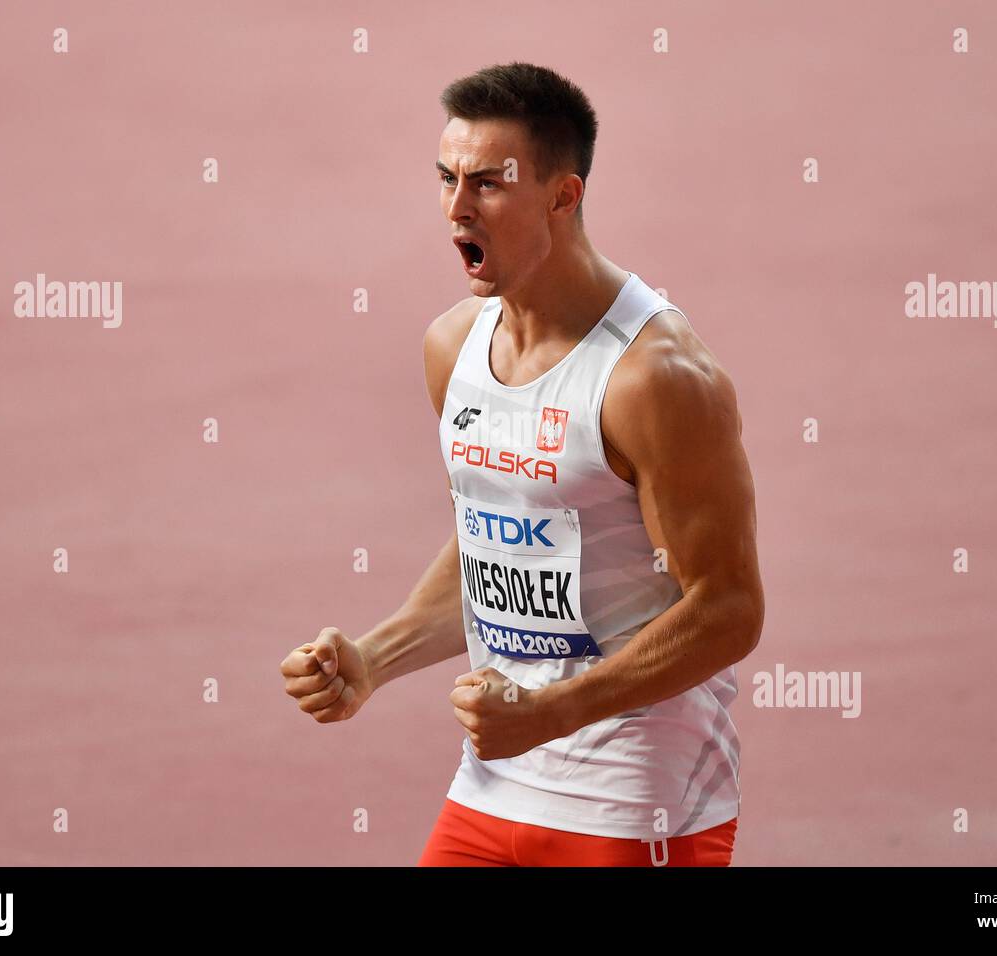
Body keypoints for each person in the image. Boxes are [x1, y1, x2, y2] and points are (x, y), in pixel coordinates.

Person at [281, 62, 764, 867]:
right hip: (495, 782)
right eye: (446, 179)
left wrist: (553, 711)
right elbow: (497, 534)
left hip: (636, 803)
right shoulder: (454, 347)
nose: (456, 208)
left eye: (488, 184)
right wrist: (376, 656)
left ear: (563, 196)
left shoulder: (656, 378)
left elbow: (730, 609)